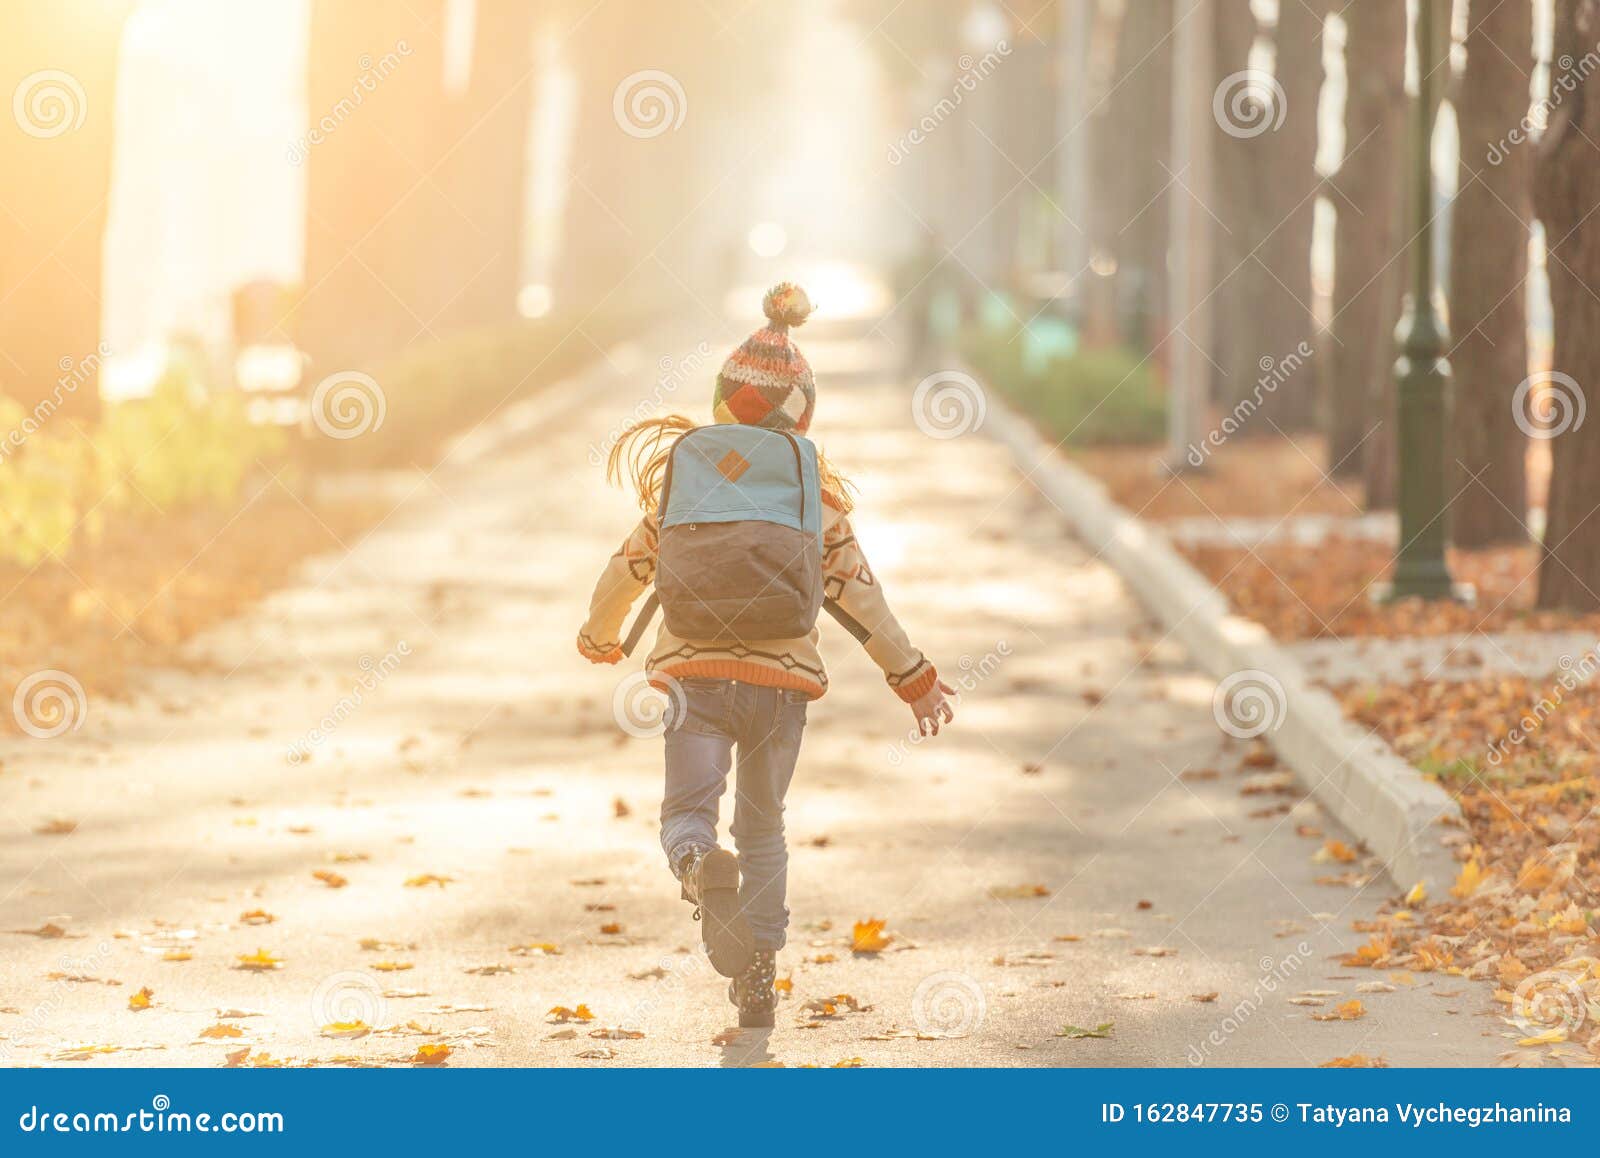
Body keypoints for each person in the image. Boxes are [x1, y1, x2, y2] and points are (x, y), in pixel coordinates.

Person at [577, 283, 954, 1027]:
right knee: (763, 828)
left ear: (723, 404)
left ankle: (695, 868)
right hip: (780, 688)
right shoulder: (816, 496)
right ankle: (757, 976)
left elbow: (628, 567)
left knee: (688, 813)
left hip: (693, 681)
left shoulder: (683, 486)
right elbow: (861, 597)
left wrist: (601, 634)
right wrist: (913, 678)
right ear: (802, 413)